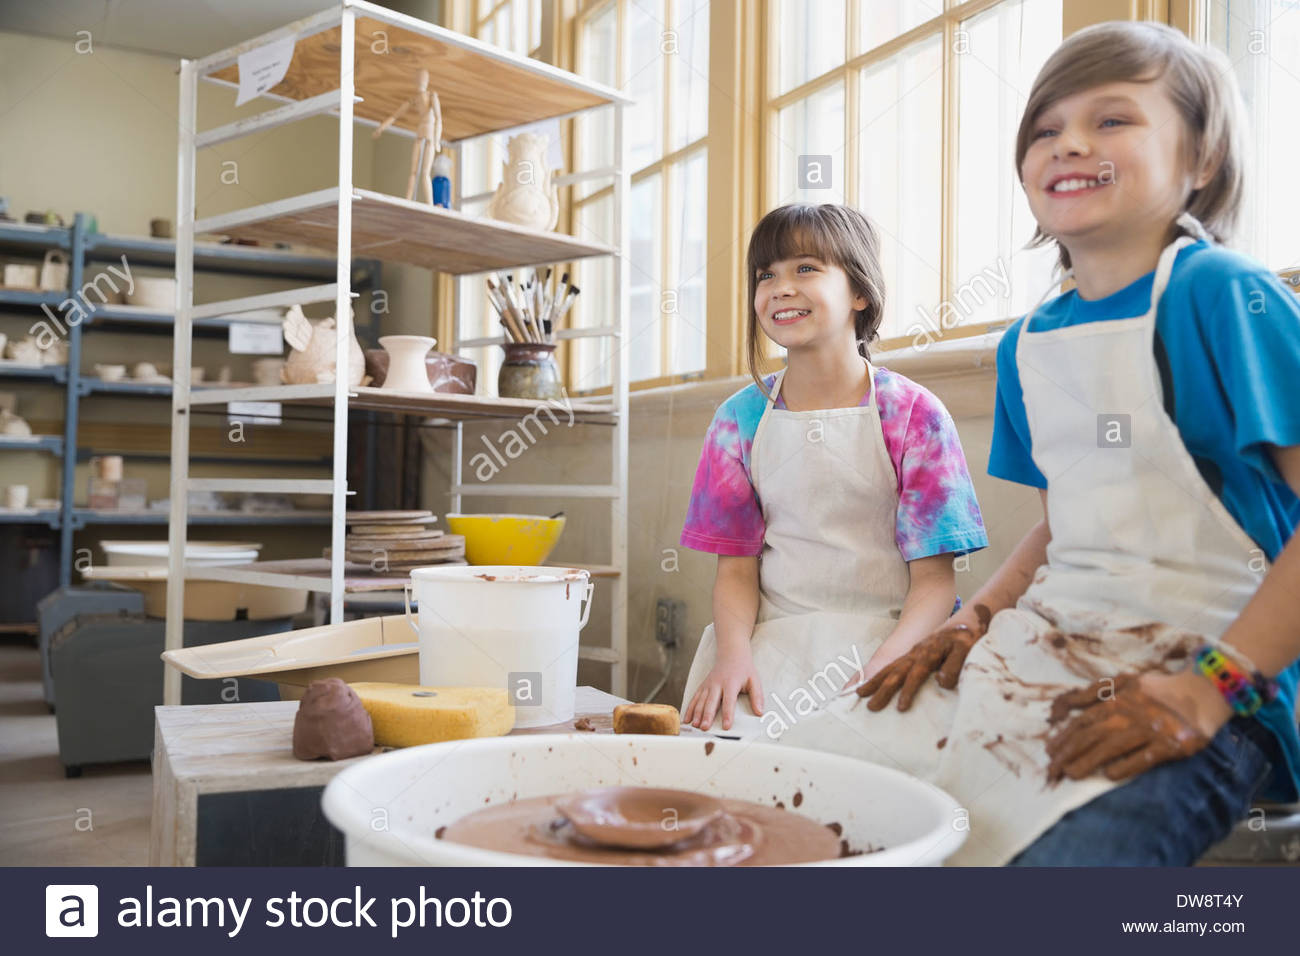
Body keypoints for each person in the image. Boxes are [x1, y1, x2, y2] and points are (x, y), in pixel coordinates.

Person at [780, 20, 1300, 866]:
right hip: (1056, 644)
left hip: (1223, 680)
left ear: (1200, 161)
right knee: (817, 785)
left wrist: (1215, 688)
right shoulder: (1030, 343)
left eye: (1113, 120)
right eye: (1046, 129)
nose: (1071, 144)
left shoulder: (1221, 296)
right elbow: (1069, 527)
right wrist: (975, 618)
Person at [678, 203, 988, 735]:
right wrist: (732, 657)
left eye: (805, 268)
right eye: (765, 275)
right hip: (768, 648)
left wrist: (888, 662)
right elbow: (736, 570)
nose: (780, 288)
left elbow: (934, 584)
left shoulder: (915, 415)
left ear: (860, 293)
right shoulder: (737, 421)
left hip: (894, 642)